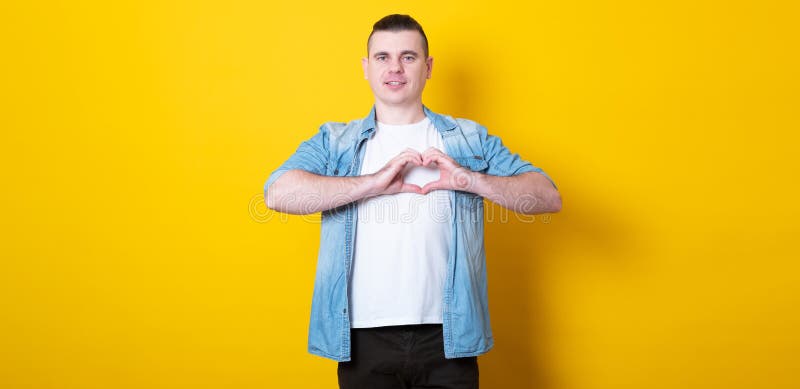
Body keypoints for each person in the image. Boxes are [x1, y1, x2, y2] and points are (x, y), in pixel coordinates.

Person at [264, 14, 561, 389]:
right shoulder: (334, 141)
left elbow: (547, 196)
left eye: (408, 57)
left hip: (450, 337)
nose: (395, 68)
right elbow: (278, 192)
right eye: (382, 57)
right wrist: (372, 184)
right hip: (362, 339)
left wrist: (469, 179)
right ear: (366, 68)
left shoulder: (467, 139)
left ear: (428, 66)